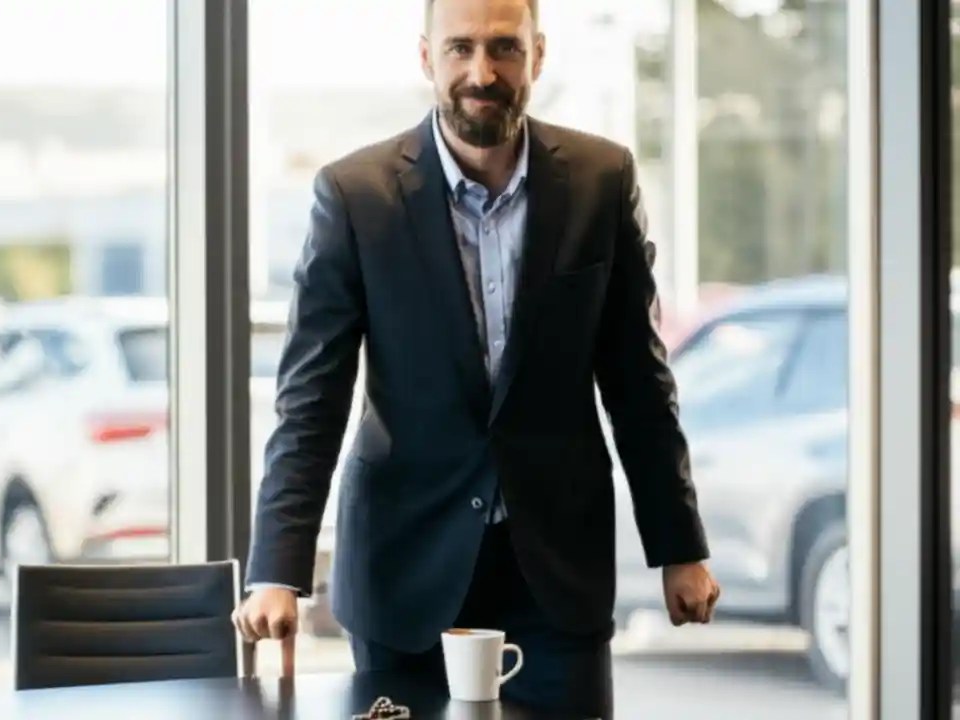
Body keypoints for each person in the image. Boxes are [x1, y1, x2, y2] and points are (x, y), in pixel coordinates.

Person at [233, 0, 720, 716]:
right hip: (405, 572)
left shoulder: (600, 181)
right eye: (460, 49)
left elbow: (638, 382)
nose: (481, 72)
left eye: (504, 49)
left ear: (539, 55)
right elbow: (312, 398)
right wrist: (278, 568)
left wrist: (680, 545)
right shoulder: (355, 196)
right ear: (428, 58)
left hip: (555, 575)